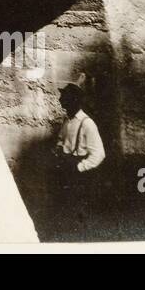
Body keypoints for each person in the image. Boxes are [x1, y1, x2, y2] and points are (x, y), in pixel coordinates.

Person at [53, 83, 105, 230]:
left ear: (74, 100)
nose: (60, 99)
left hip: (78, 172)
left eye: (64, 96)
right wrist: (58, 148)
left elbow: (99, 154)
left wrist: (80, 167)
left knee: (79, 210)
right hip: (65, 166)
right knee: (65, 206)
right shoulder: (67, 121)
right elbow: (62, 139)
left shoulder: (88, 124)